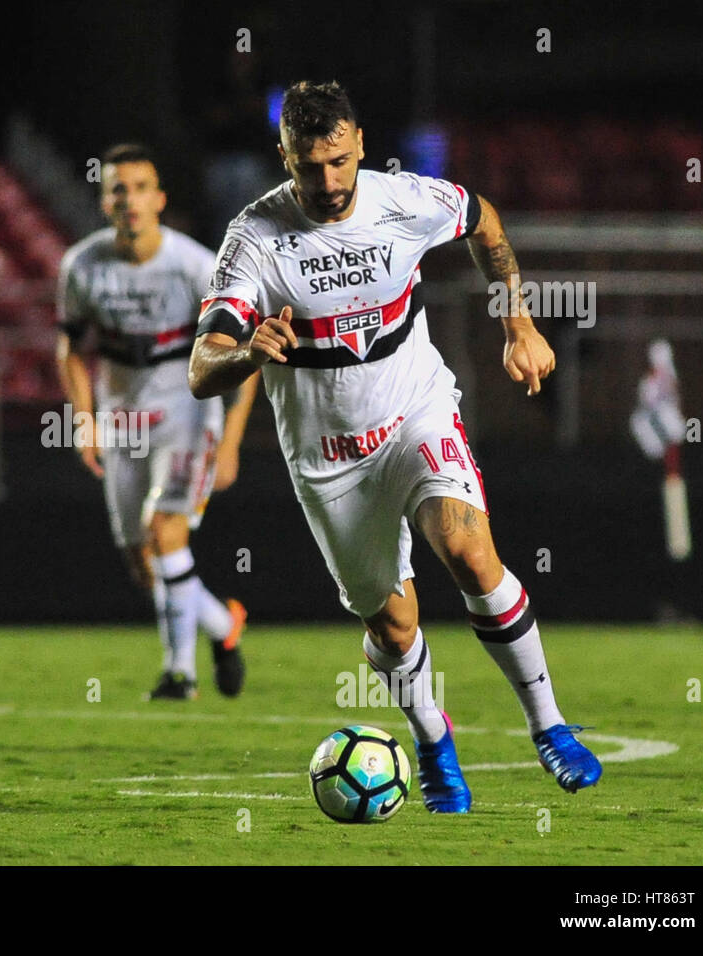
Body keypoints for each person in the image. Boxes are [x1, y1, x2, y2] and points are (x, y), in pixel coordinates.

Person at [189, 81, 601, 809]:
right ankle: (433, 739)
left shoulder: (403, 199)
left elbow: (485, 224)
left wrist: (518, 325)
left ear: (360, 147)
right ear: (283, 156)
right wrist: (248, 353)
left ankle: (550, 727)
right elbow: (202, 367)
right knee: (394, 620)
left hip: (416, 412)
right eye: (309, 166)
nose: (328, 182)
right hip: (328, 458)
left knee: (471, 551)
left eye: (340, 162)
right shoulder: (253, 240)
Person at [56, 144, 260, 700]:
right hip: (123, 417)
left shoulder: (197, 265)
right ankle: (222, 625)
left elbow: (247, 356)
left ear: (160, 199)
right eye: (118, 189)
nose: (130, 199)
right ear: (105, 202)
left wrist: (232, 443)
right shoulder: (81, 266)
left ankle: (179, 675)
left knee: (164, 533)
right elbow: (71, 349)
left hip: (188, 412)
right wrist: (85, 422)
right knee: (142, 562)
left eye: (141, 187)